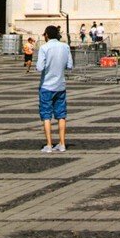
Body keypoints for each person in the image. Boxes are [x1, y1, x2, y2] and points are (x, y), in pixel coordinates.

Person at [35, 24, 73, 152]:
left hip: (46, 85)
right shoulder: (65, 46)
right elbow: (70, 65)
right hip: (60, 85)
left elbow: (40, 67)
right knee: (61, 115)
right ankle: (62, 144)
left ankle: (49, 145)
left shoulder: (44, 48)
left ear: (46, 35)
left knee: (46, 115)